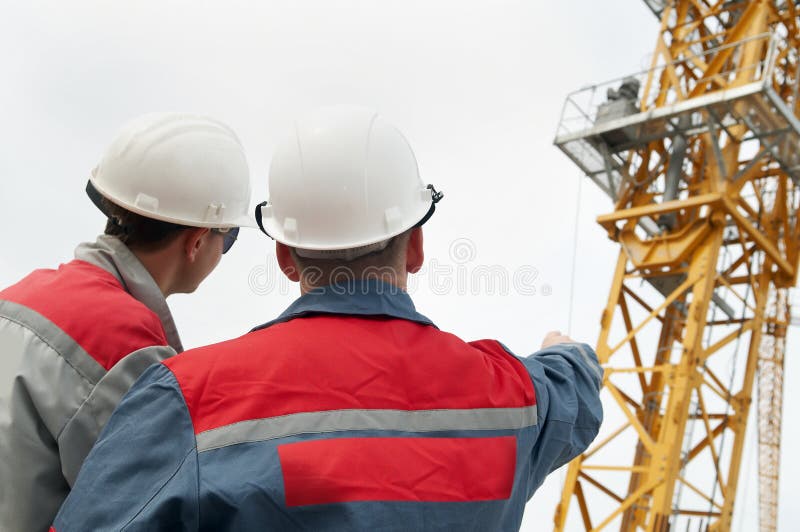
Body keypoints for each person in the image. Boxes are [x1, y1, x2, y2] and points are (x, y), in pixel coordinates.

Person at [53, 106, 603, 531]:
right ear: (415, 247)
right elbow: (574, 384)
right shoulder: (513, 400)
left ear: (285, 257)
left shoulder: (186, 400)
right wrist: (566, 352)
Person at [0, 112, 254, 532]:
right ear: (196, 241)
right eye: (228, 237)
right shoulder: (126, 348)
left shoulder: (16, 297)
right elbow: (165, 507)